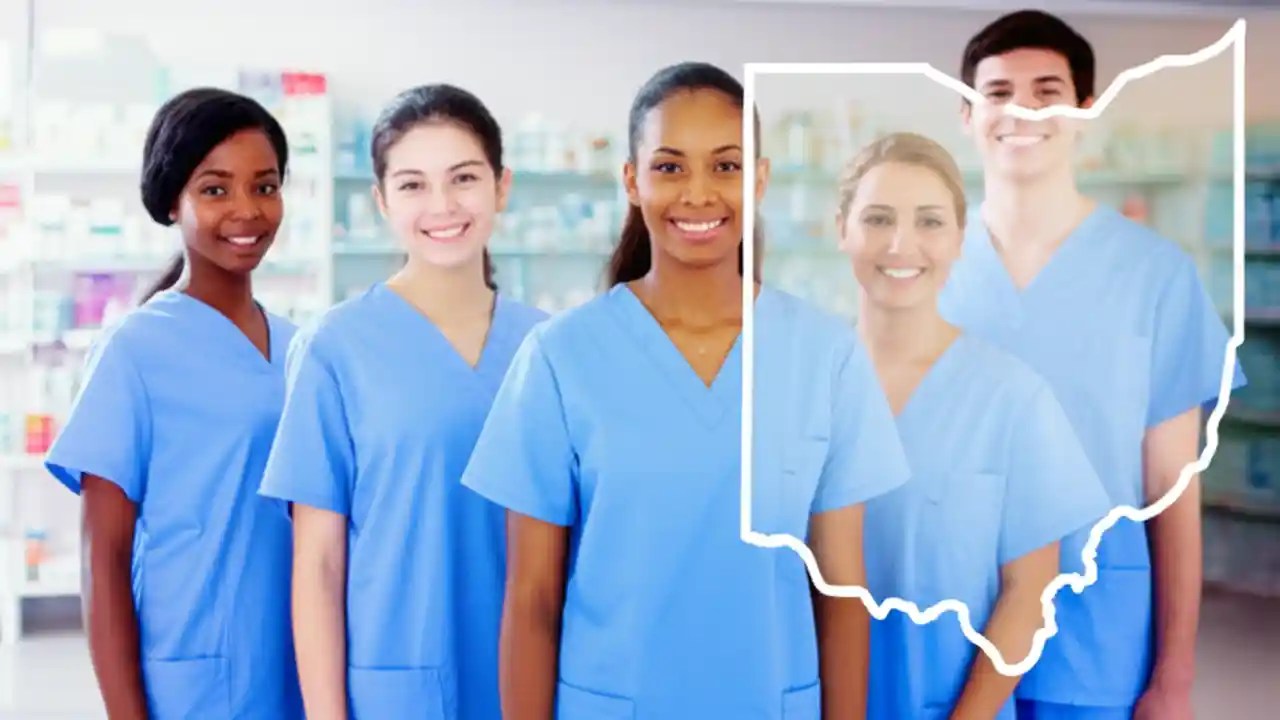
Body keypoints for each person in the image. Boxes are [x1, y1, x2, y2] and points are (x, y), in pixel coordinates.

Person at [460, 61, 911, 720]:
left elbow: (842, 594)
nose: (699, 193)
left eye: (725, 166)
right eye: (670, 167)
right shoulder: (562, 357)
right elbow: (531, 599)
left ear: (759, 179)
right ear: (632, 181)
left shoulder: (825, 355)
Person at [942, 10, 1246, 719]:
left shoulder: (1153, 276)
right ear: (966, 114)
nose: (1021, 109)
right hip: (949, 631)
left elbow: (1171, 488)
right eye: (997, 92)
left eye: (1047, 92)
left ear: (1085, 111)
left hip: (1097, 636)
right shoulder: (924, 268)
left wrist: (1174, 675)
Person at [257, 84, 548, 720]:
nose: (442, 205)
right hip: (399, 687)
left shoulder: (551, 346)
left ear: (501, 186)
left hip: (534, 683)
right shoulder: (336, 348)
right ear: (381, 201)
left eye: (464, 178)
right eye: (413, 184)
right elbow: (319, 564)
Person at [43, 88, 303, 719]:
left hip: (296, 668)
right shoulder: (136, 350)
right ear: (171, 201)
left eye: (264, 186)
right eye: (215, 189)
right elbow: (102, 560)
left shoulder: (301, 347)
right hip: (193, 678)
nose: (247, 210)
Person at [836, 131, 1111, 719]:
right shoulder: (798, 386)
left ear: (961, 239)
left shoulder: (1011, 397)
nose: (901, 243)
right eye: (878, 218)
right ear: (842, 231)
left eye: (930, 221)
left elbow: (1029, 592)